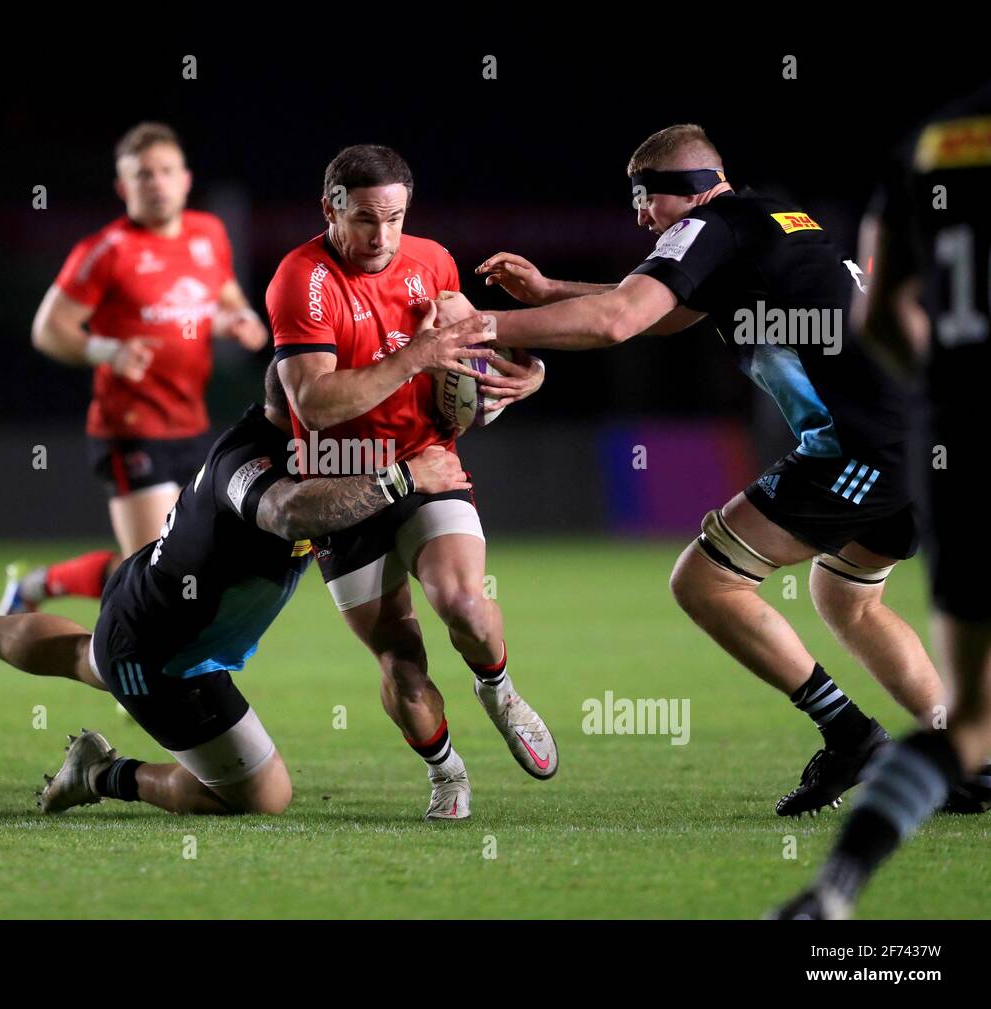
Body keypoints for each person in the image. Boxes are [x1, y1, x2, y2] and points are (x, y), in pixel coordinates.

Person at [474, 123, 946, 816]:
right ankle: (967, 757)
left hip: (862, 447)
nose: (639, 218)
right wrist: (547, 290)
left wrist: (476, 326)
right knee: (846, 596)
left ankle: (850, 734)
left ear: (685, 190)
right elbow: (665, 311)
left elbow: (618, 321)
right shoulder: (769, 216)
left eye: (644, 200)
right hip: (910, 433)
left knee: (705, 579)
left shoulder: (714, 225)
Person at [0, 367, 470, 816]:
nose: (358, 407)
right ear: (302, 405)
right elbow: (292, 513)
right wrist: (405, 478)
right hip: (165, 657)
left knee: (84, 655)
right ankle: (100, 775)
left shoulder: (308, 443)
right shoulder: (248, 460)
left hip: (147, 602)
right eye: (341, 396)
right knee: (263, 796)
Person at [266, 144, 554, 820]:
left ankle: (499, 689)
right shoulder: (300, 279)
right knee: (401, 662)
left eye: (395, 218)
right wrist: (422, 353)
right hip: (342, 490)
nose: (382, 237)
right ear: (330, 208)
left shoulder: (434, 261)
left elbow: (473, 353)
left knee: (465, 604)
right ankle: (447, 772)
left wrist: (524, 372)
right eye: (366, 219)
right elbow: (317, 404)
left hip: (427, 465)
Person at [772, 84, 991, 919]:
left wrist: (951, 393)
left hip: (953, 441)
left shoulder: (937, 139)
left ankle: (833, 891)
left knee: (969, 719)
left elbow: (881, 320)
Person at [0, 122, 267, 614]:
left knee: (174, 565)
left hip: (192, 424)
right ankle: (132, 679)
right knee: (157, 574)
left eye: (166, 171)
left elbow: (223, 301)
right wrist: (110, 352)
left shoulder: (208, 234)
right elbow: (49, 328)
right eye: (143, 175)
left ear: (185, 179)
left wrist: (240, 320)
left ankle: (38, 586)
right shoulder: (108, 250)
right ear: (124, 188)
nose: (157, 183)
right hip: (131, 428)